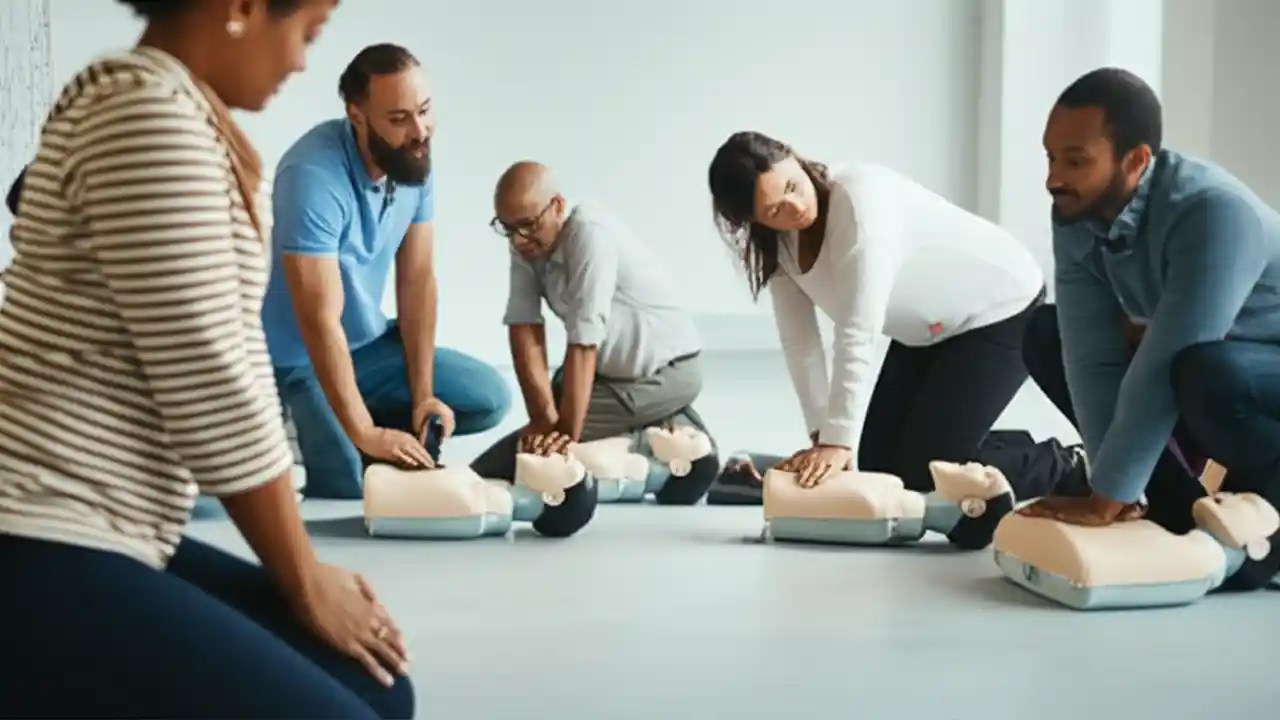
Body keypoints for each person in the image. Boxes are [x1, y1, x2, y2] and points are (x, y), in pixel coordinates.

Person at [0, 1, 415, 718]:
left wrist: (306, 577)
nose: (302, 61)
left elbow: (238, 352)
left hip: (118, 527)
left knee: (376, 685)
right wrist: (304, 579)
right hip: (34, 529)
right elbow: (212, 382)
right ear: (242, 8)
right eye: (307, 31)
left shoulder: (181, 114)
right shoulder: (142, 116)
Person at [1017, 68, 1280, 586]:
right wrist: (1112, 493)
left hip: (1247, 371)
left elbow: (1165, 363)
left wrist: (1107, 490)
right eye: (1050, 158)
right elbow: (1090, 354)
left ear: (1136, 160)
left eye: (1075, 161)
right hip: (1211, 362)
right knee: (1047, 333)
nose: (1054, 178)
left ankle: (1264, 516)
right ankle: (1165, 509)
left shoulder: (1215, 212)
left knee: (1202, 369)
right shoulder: (1076, 209)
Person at [705, 130, 1055, 501]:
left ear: (793, 157)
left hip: (1001, 307)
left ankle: (1066, 464)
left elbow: (858, 330)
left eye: (792, 186)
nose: (795, 207)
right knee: (879, 468)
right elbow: (800, 343)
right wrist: (823, 436)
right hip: (925, 332)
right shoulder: (779, 247)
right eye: (775, 211)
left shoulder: (861, 205)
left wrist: (838, 443)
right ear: (755, 221)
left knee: (927, 471)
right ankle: (976, 441)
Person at [263, 43, 511, 499]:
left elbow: (417, 280)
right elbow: (319, 322)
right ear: (357, 117)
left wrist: (424, 395)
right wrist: (365, 432)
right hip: (299, 361)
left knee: (488, 398)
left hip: (368, 346)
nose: (419, 131)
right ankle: (303, 426)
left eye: (424, 111)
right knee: (349, 487)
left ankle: (353, 423)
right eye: (398, 119)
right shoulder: (311, 175)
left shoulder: (411, 157)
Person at [469, 162, 718, 525]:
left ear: (557, 205)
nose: (518, 240)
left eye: (528, 225)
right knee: (549, 415)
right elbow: (524, 325)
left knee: (527, 448)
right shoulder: (525, 242)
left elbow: (585, 338)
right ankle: (663, 423)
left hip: (666, 371)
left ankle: (473, 479)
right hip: (609, 373)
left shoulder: (589, 232)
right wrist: (542, 418)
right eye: (507, 228)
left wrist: (564, 435)